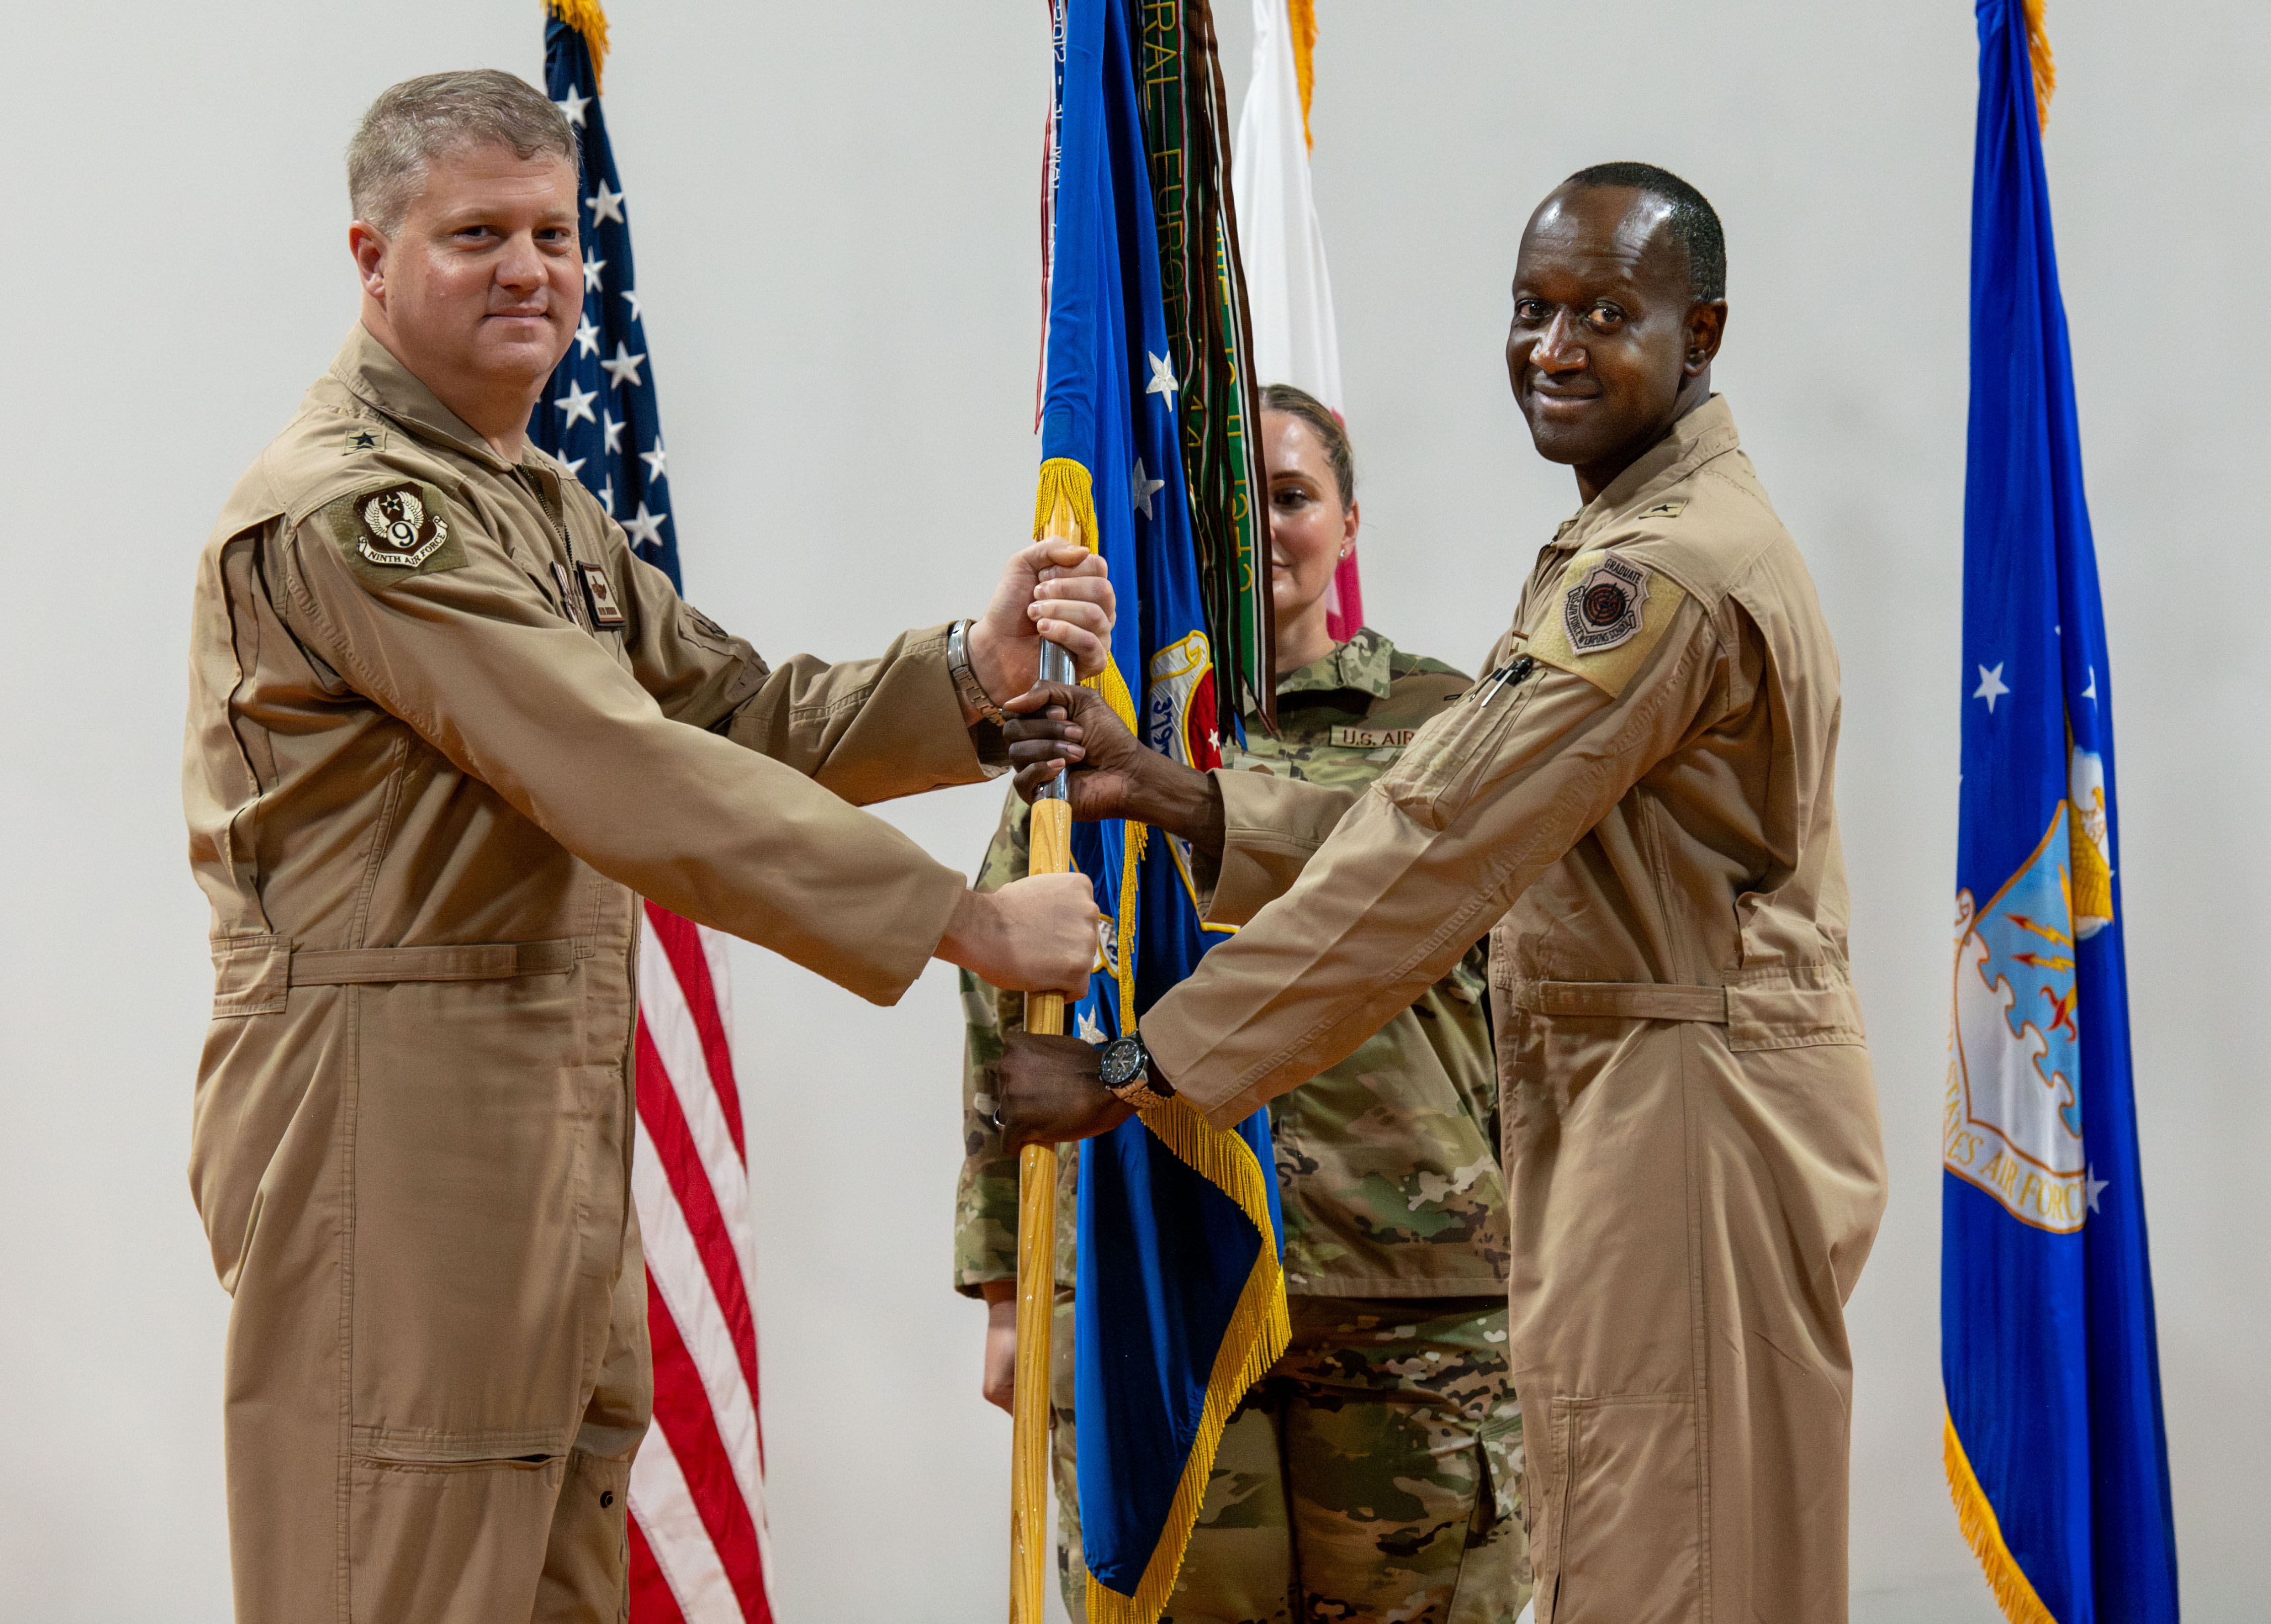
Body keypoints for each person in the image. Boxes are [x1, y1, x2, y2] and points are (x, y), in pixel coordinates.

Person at [182, 70, 1115, 1624]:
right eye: (476, 233)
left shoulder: (534, 504)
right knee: (399, 1572)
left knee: (560, 1572)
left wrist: (971, 669)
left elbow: (730, 713)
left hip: (540, 1102)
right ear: (370, 257)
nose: (532, 271)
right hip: (388, 1123)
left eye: (553, 233)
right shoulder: (353, 515)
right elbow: (618, 769)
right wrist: (959, 923)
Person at [991, 164, 1889, 1622]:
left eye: (1607, 312)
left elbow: (1440, 845)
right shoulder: (1634, 536)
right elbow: (1447, 814)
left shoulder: (1658, 574)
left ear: (1701, 331)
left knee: (1669, 1569)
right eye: (1532, 309)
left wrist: (1145, 1061)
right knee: (1655, 1547)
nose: (1555, 348)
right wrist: (1186, 798)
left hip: (1680, 1108)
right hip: (1654, 1085)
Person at [956, 386, 1530, 1624]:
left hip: (1411, 1286)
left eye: (1295, 496)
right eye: (1237, 499)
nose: (1266, 525)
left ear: (1350, 522)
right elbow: (1005, 999)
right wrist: (1008, 1290)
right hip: (1154, 1270)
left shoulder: (1449, 723)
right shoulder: (1093, 736)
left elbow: (1525, 998)